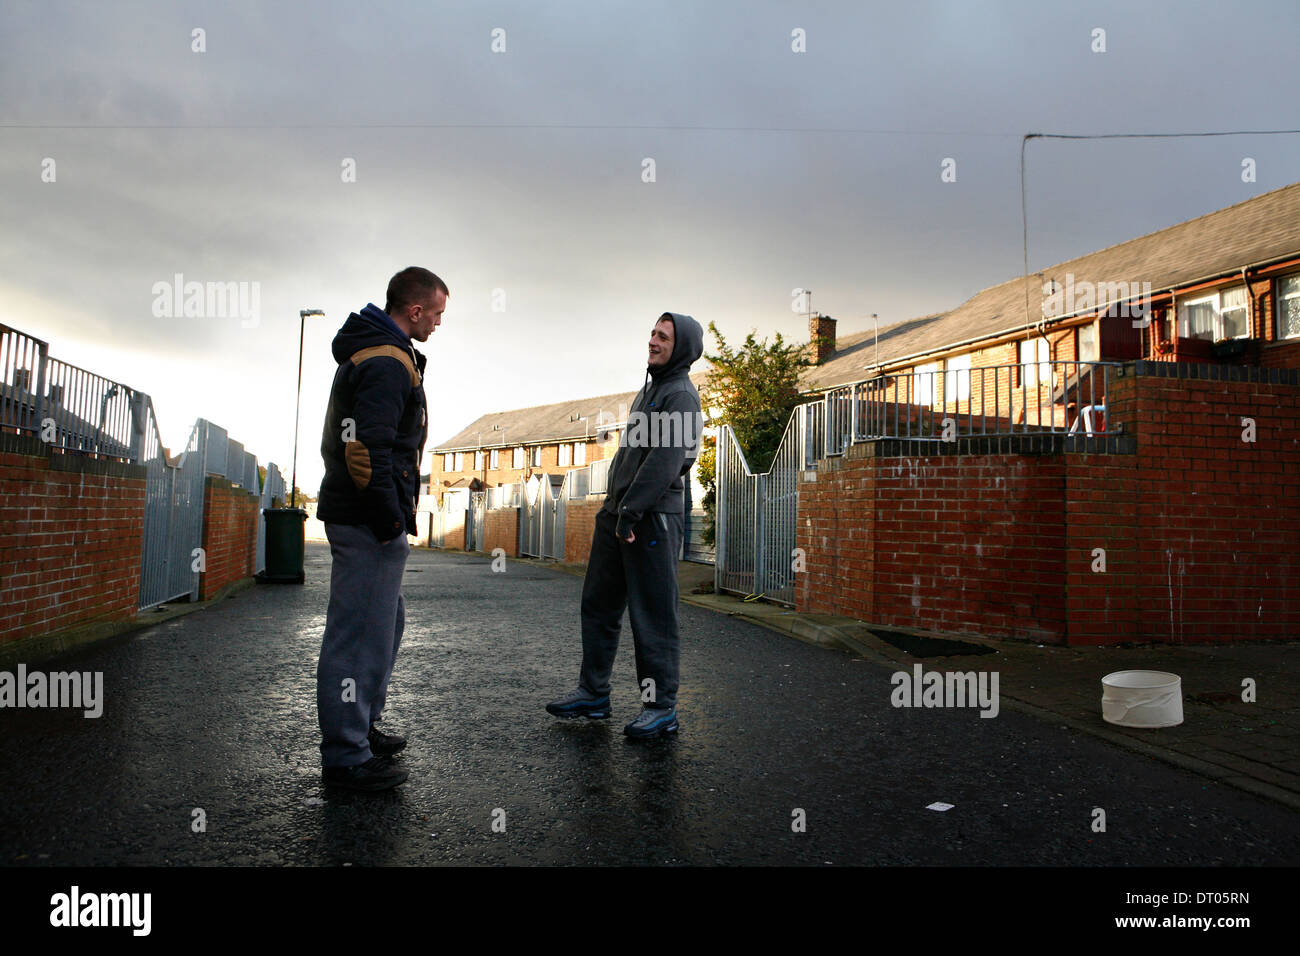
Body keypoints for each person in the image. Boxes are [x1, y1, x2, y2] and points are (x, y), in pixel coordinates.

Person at [314, 267, 447, 791]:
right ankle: (346, 757)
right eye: (436, 314)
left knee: (383, 626)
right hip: (367, 520)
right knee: (357, 637)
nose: (438, 324)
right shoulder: (388, 362)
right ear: (414, 310)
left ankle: (361, 728)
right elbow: (367, 450)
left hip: (363, 516)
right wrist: (391, 520)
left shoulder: (381, 352)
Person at [547, 312, 704, 738]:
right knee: (599, 606)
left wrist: (631, 512)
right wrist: (615, 509)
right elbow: (632, 457)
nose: (653, 341)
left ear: (682, 347)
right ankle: (593, 693)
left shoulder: (681, 397)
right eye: (653, 333)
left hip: (650, 520)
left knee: (652, 615)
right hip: (617, 513)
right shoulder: (649, 390)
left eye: (664, 337)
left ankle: (661, 708)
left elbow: (664, 464)